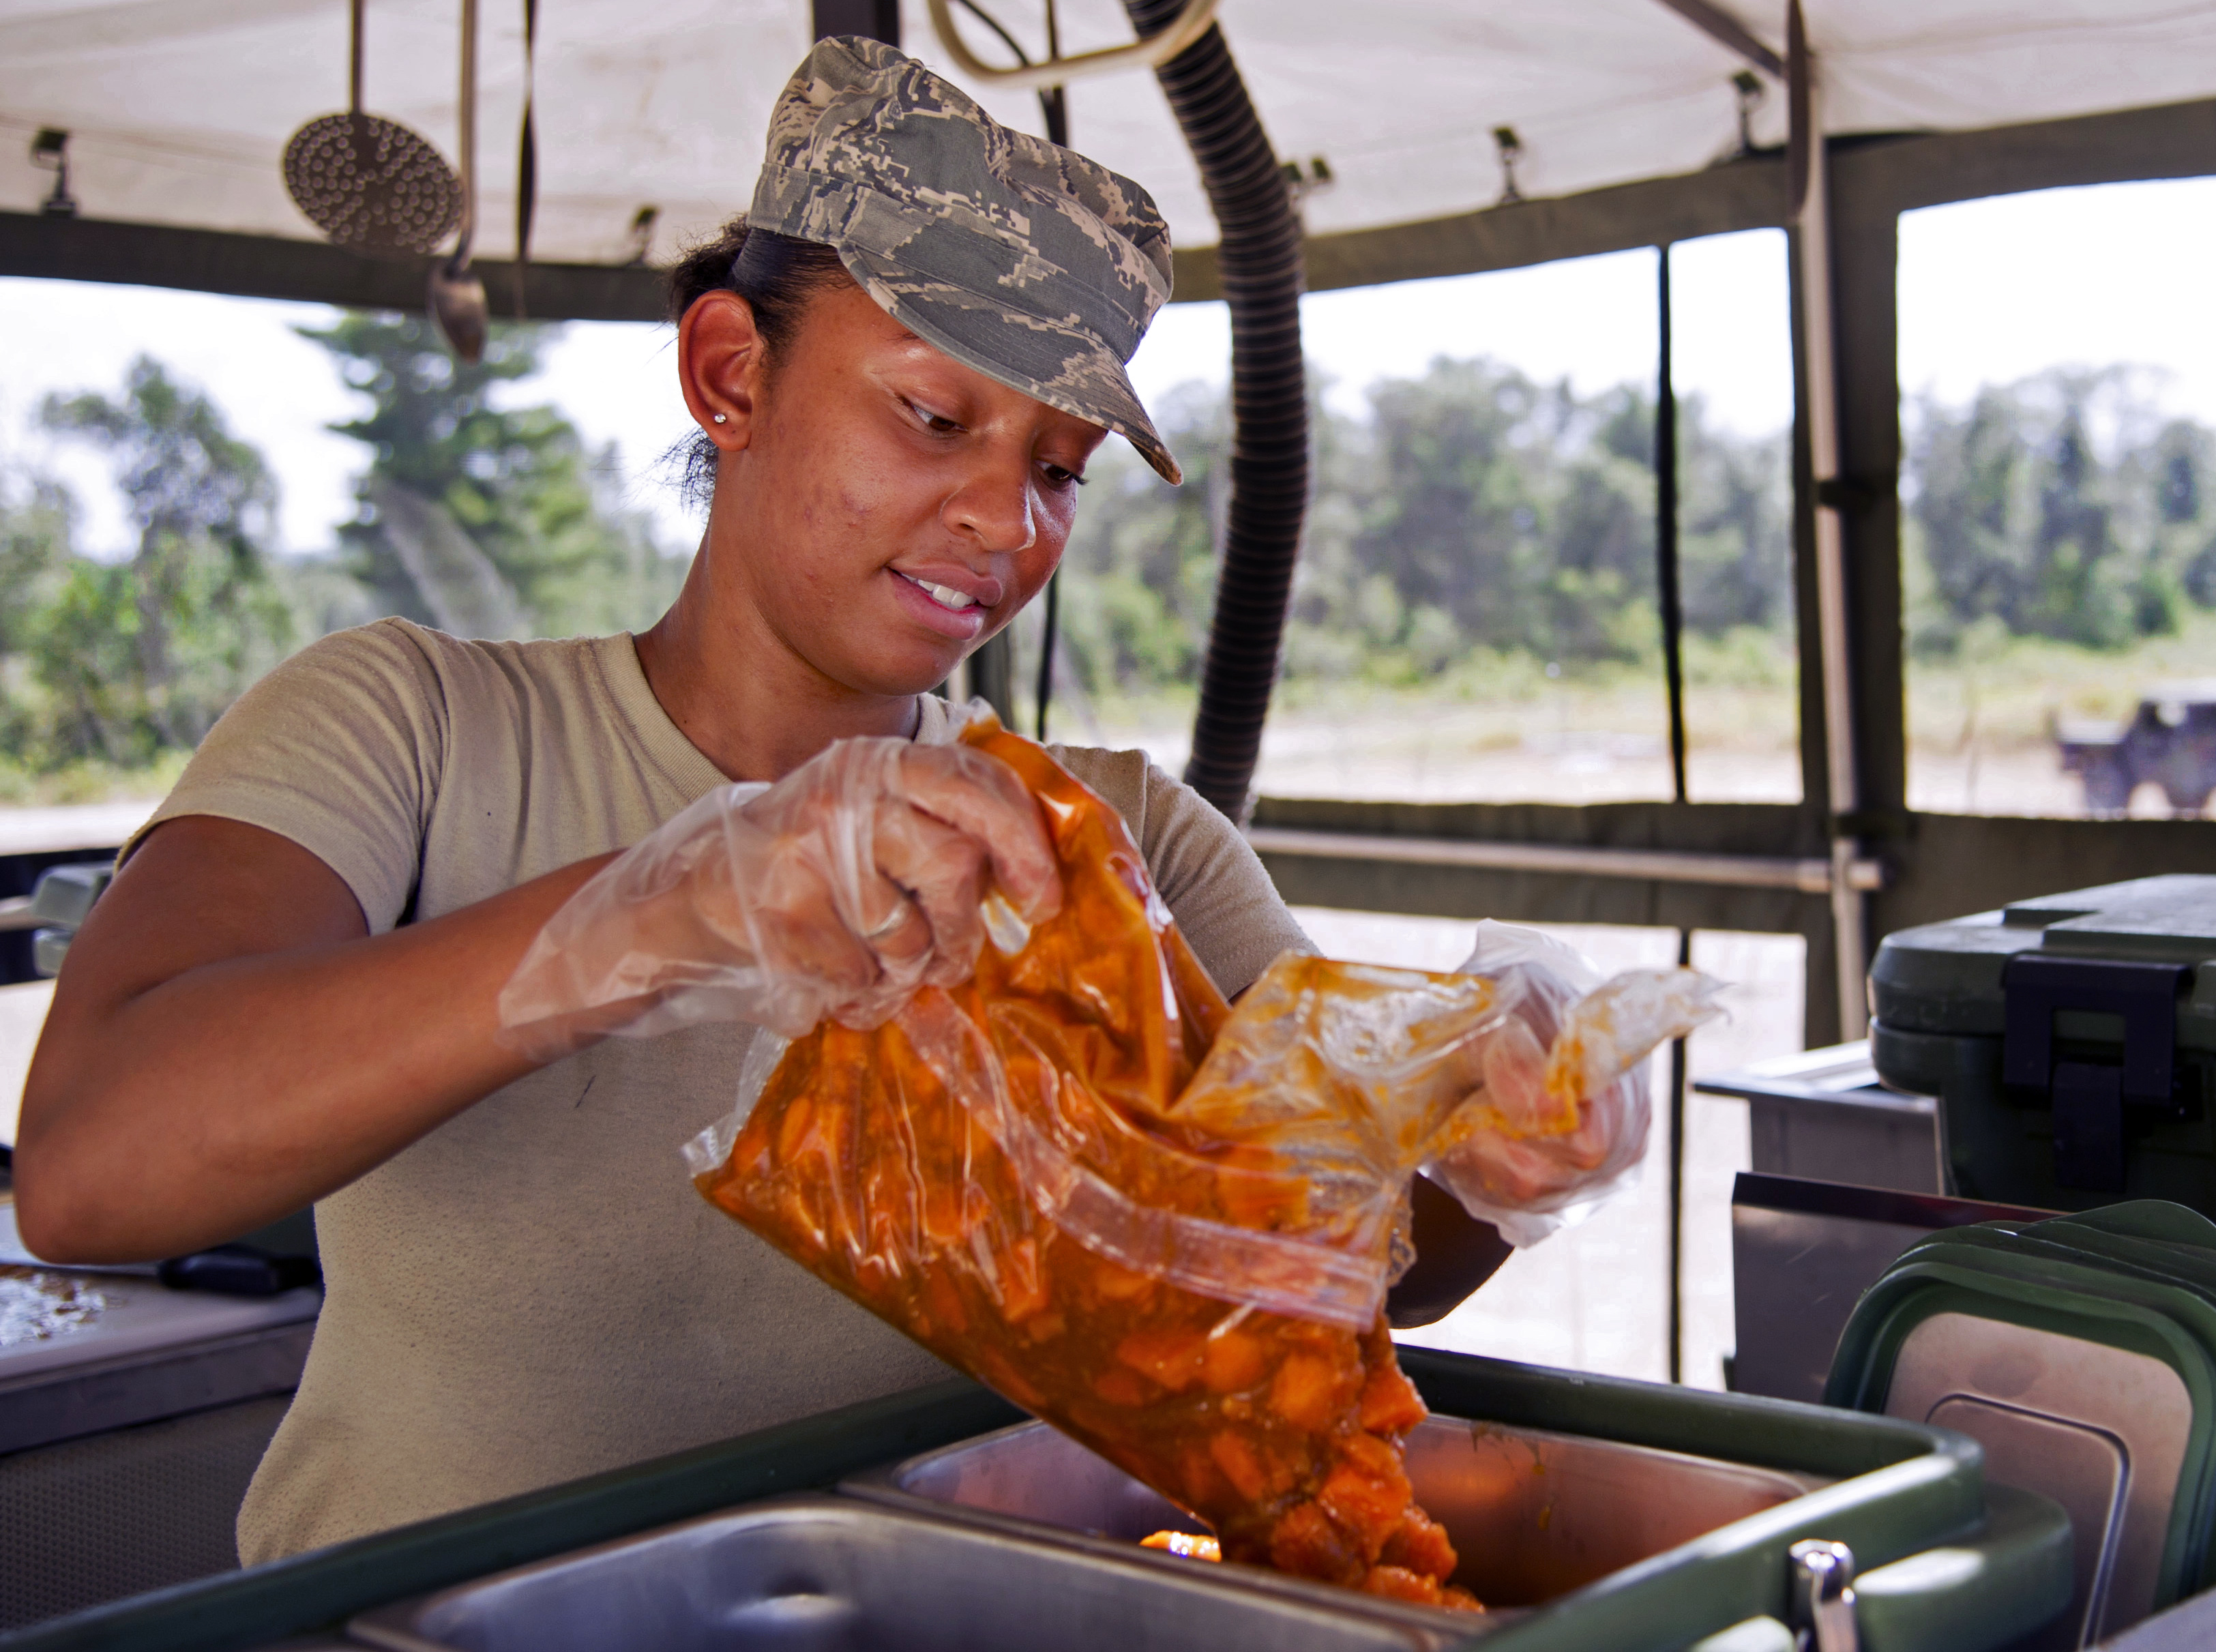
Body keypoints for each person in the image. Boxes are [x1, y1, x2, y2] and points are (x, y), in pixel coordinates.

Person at [13, 36, 1505, 1565]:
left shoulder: (1110, 840)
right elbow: (87, 1163)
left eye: (1057, 467)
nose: (1005, 517)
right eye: (934, 418)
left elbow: (1349, 1260)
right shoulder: (415, 728)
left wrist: (1498, 1140)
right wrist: (661, 907)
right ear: (731, 373)